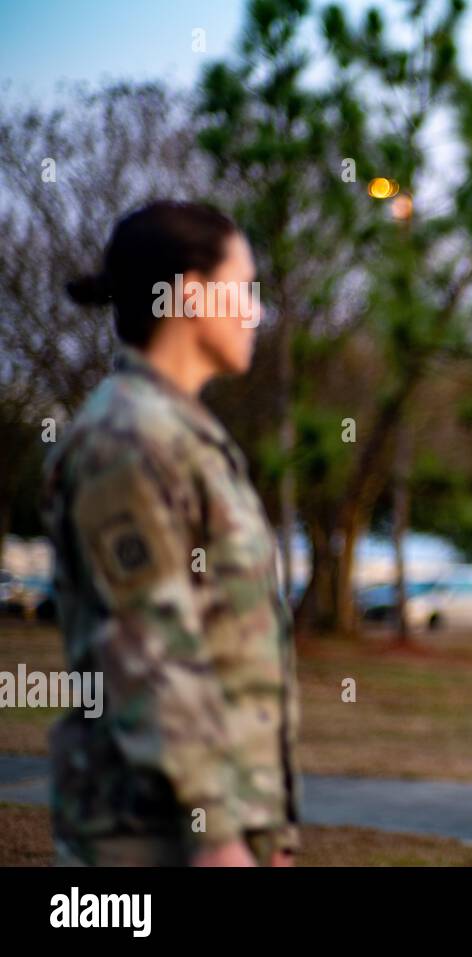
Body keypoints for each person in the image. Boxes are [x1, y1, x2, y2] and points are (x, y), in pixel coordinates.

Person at [44, 200, 299, 866]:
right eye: (244, 289)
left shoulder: (187, 437)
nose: (256, 310)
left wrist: (263, 832)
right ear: (189, 293)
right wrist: (216, 837)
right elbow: (149, 651)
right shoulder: (126, 439)